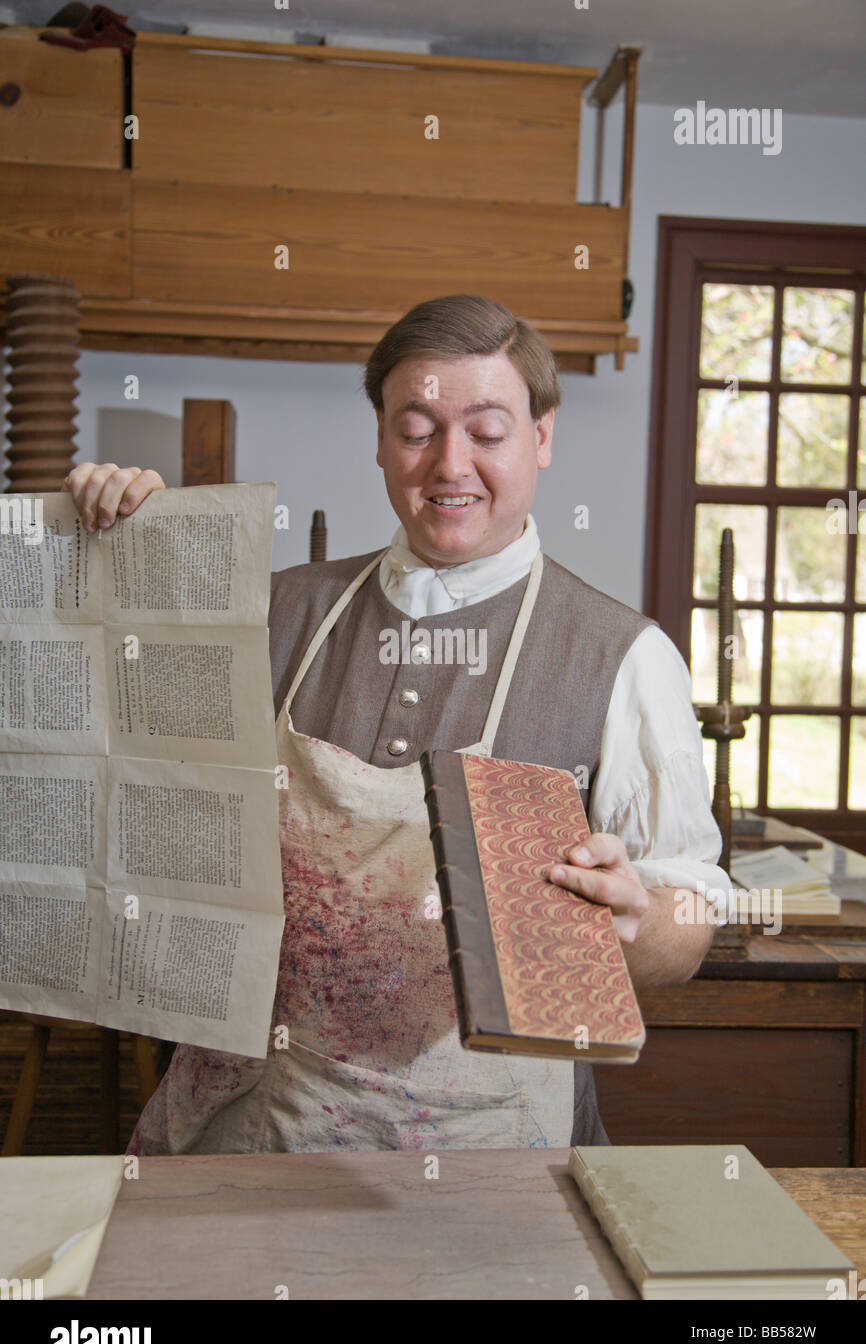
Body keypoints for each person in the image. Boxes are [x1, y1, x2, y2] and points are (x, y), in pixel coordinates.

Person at [62, 293, 728, 1155]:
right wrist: (113, 544)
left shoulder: (623, 655)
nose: (450, 465)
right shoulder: (275, 612)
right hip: (259, 1124)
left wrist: (636, 923)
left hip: (491, 1147)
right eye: (417, 430)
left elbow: (695, 906)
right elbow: (113, 759)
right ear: (380, 439)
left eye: (487, 432)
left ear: (543, 436)